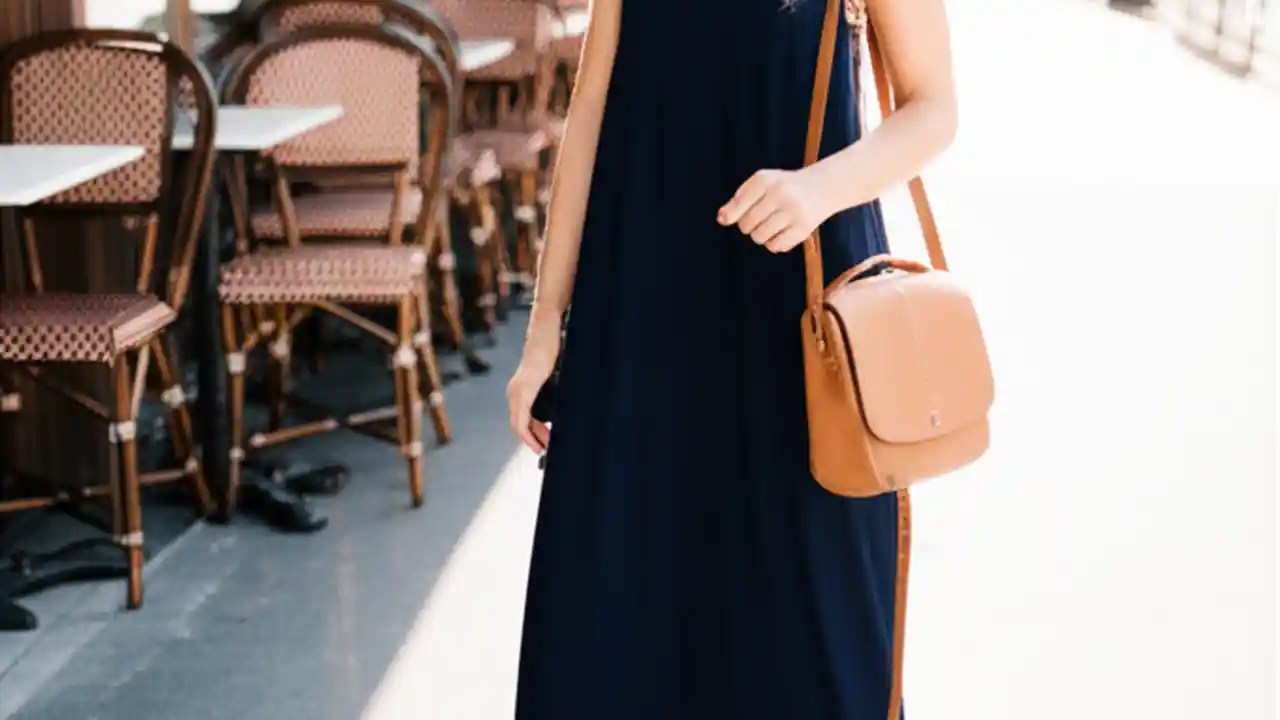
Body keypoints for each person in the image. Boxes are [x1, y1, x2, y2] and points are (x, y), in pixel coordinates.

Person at [507, 0, 956, 716]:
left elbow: (933, 108)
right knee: (615, 637)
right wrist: (545, 326)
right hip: (638, 322)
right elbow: (592, 101)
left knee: (815, 647)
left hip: (801, 324)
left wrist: (819, 190)